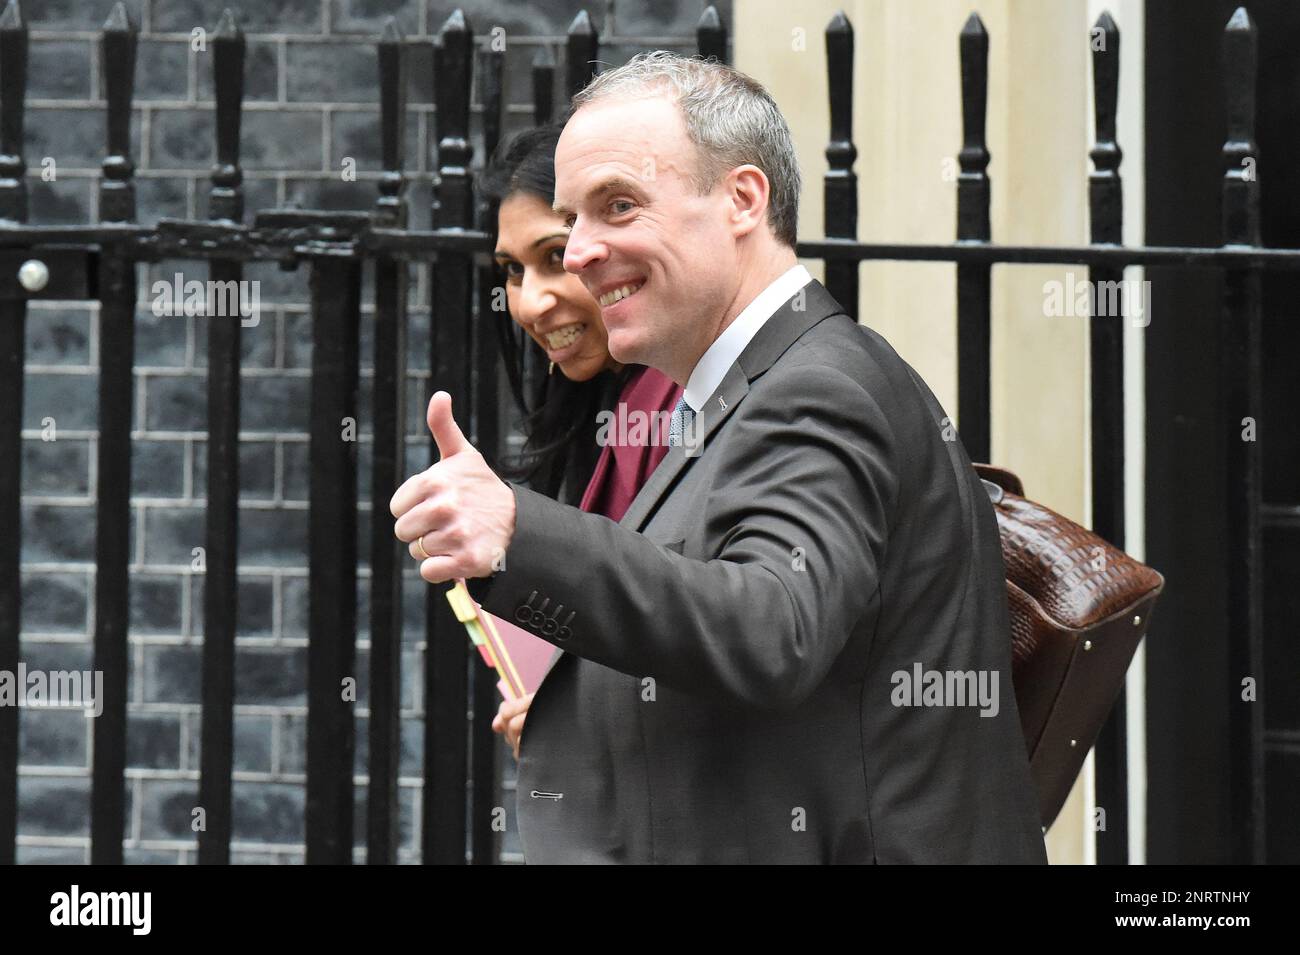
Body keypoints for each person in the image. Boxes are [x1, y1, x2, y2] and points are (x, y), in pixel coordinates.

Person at [390, 51, 1048, 863]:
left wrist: (518, 529)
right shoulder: (749, 387)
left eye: (618, 206)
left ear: (742, 199)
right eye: (575, 218)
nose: (585, 250)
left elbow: (774, 627)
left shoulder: (817, 387)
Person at [477, 124, 682, 759]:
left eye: (553, 255)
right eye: (513, 271)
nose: (531, 302)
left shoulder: (683, 398)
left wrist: (574, 708)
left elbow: (706, 630)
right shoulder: (620, 397)